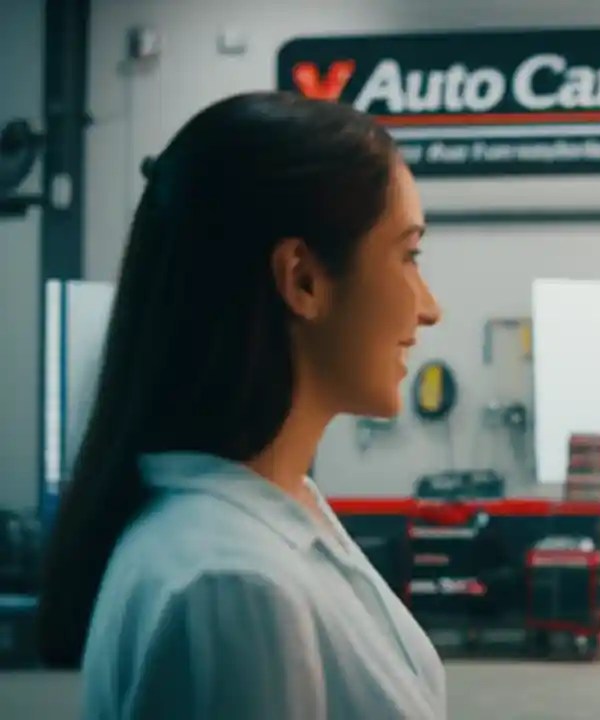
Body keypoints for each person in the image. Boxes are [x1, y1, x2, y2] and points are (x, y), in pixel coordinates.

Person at [37, 92, 447, 719]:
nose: (428, 306)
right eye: (408, 256)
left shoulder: (279, 514)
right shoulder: (234, 585)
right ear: (302, 279)